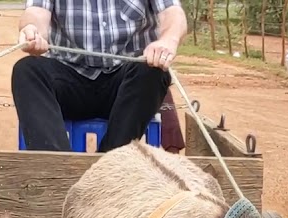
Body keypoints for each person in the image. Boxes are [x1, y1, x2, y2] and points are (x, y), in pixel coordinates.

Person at [12, 0, 188, 153]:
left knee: (153, 70)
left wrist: (168, 40)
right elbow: (36, 12)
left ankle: (108, 165)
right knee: (27, 70)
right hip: (69, 80)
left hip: (126, 90)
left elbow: (172, 12)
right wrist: (32, 31)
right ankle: (58, 172)